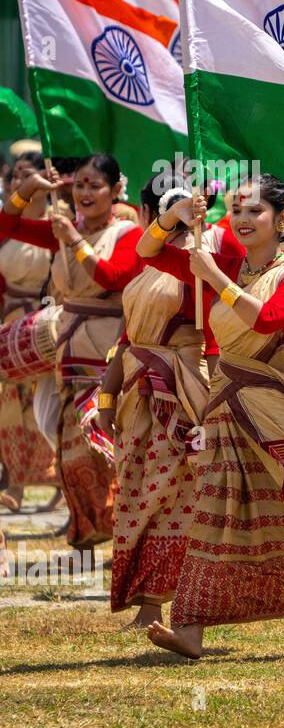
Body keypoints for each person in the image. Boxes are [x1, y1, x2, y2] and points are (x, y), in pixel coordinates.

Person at [139, 176, 284, 659]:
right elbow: (149, 253)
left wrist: (215, 279)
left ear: (282, 218)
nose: (242, 219)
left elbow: (266, 320)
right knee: (213, 513)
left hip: (277, 409)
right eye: (236, 209)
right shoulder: (226, 265)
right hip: (226, 409)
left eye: (254, 211)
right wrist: (172, 218)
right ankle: (192, 630)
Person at [96, 170, 233, 628]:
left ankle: (172, 602)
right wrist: (107, 394)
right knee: (136, 491)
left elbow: (214, 332)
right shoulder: (144, 259)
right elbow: (127, 335)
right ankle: (147, 601)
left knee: (174, 494)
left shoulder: (205, 257)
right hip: (138, 387)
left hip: (182, 385)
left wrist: (216, 397)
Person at [1, 155, 140, 548]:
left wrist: (74, 240)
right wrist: (30, 189)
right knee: (65, 436)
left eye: (94, 185)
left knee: (106, 438)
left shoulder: (128, 233)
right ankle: (89, 527)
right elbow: (5, 226)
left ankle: (125, 530)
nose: (84, 193)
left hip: (108, 346)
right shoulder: (64, 229)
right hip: (68, 344)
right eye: (78, 184)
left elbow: (112, 276)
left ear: (114, 191)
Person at [0, 151, 56, 511]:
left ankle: (63, 484)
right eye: (15, 176)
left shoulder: (59, 224)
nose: (21, 182)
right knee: (7, 408)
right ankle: (13, 483)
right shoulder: (5, 226)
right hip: (6, 322)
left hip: (45, 325)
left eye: (29, 176)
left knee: (45, 406)